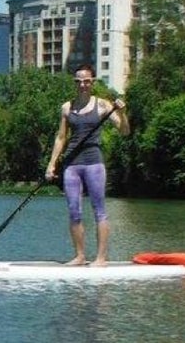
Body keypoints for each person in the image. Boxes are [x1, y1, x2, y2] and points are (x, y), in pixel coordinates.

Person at [44, 63, 128, 266]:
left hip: (94, 163)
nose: (82, 85)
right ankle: (80, 256)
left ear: (93, 82)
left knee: (99, 210)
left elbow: (124, 131)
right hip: (71, 165)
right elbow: (61, 138)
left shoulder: (103, 105)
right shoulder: (67, 107)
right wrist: (51, 164)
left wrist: (123, 112)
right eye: (79, 81)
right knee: (74, 211)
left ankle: (101, 258)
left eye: (86, 81)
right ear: (75, 83)